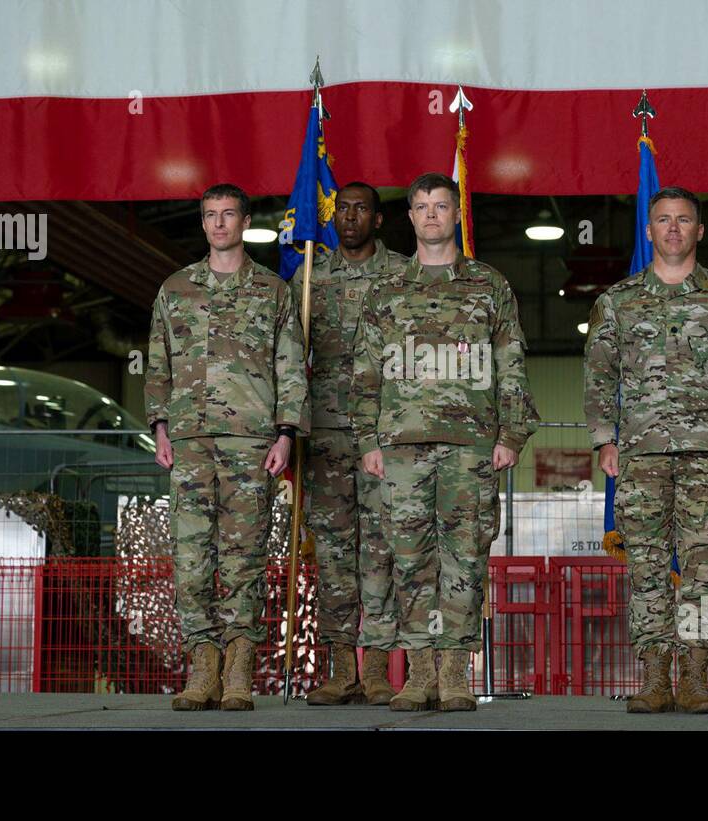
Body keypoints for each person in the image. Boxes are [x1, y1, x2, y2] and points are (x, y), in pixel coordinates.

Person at [351, 172, 539, 712]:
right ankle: (419, 673)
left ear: (456, 214)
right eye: (421, 206)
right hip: (402, 448)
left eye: (441, 205)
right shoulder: (385, 292)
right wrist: (367, 437)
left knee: (465, 558)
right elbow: (364, 374)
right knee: (408, 559)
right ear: (409, 217)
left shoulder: (488, 285)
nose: (431, 214)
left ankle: (455, 671)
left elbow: (511, 366)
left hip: (472, 446)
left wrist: (511, 435)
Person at [583, 186, 708, 715]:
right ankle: (653, 679)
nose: (672, 228)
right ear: (649, 230)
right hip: (639, 454)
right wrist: (604, 438)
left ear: (699, 231)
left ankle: (694, 677)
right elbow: (599, 375)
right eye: (662, 219)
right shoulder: (617, 301)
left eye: (683, 220)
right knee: (644, 566)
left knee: (704, 566)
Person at [145, 183, 309, 711]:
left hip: (250, 441)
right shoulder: (175, 290)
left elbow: (291, 366)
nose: (219, 223)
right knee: (191, 557)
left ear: (244, 221)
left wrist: (286, 434)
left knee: (244, 556)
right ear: (202, 224)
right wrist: (162, 428)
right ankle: (202, 665)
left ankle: (239, 667)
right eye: (210, 215)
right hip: (189, 441)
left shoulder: (272, 291)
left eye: (228, 214)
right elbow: (157, 364)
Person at [293, 182, 409, 706]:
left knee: (382, 549)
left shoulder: (403, 275)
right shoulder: (309, 276)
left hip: (385, 434)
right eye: (343, 208)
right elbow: (290, 356)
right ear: (332, 215)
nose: (351, 217)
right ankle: (342, 669)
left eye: (362, 209)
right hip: (326, 435)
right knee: (336, 555)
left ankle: (379, 667)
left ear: (378, 220)